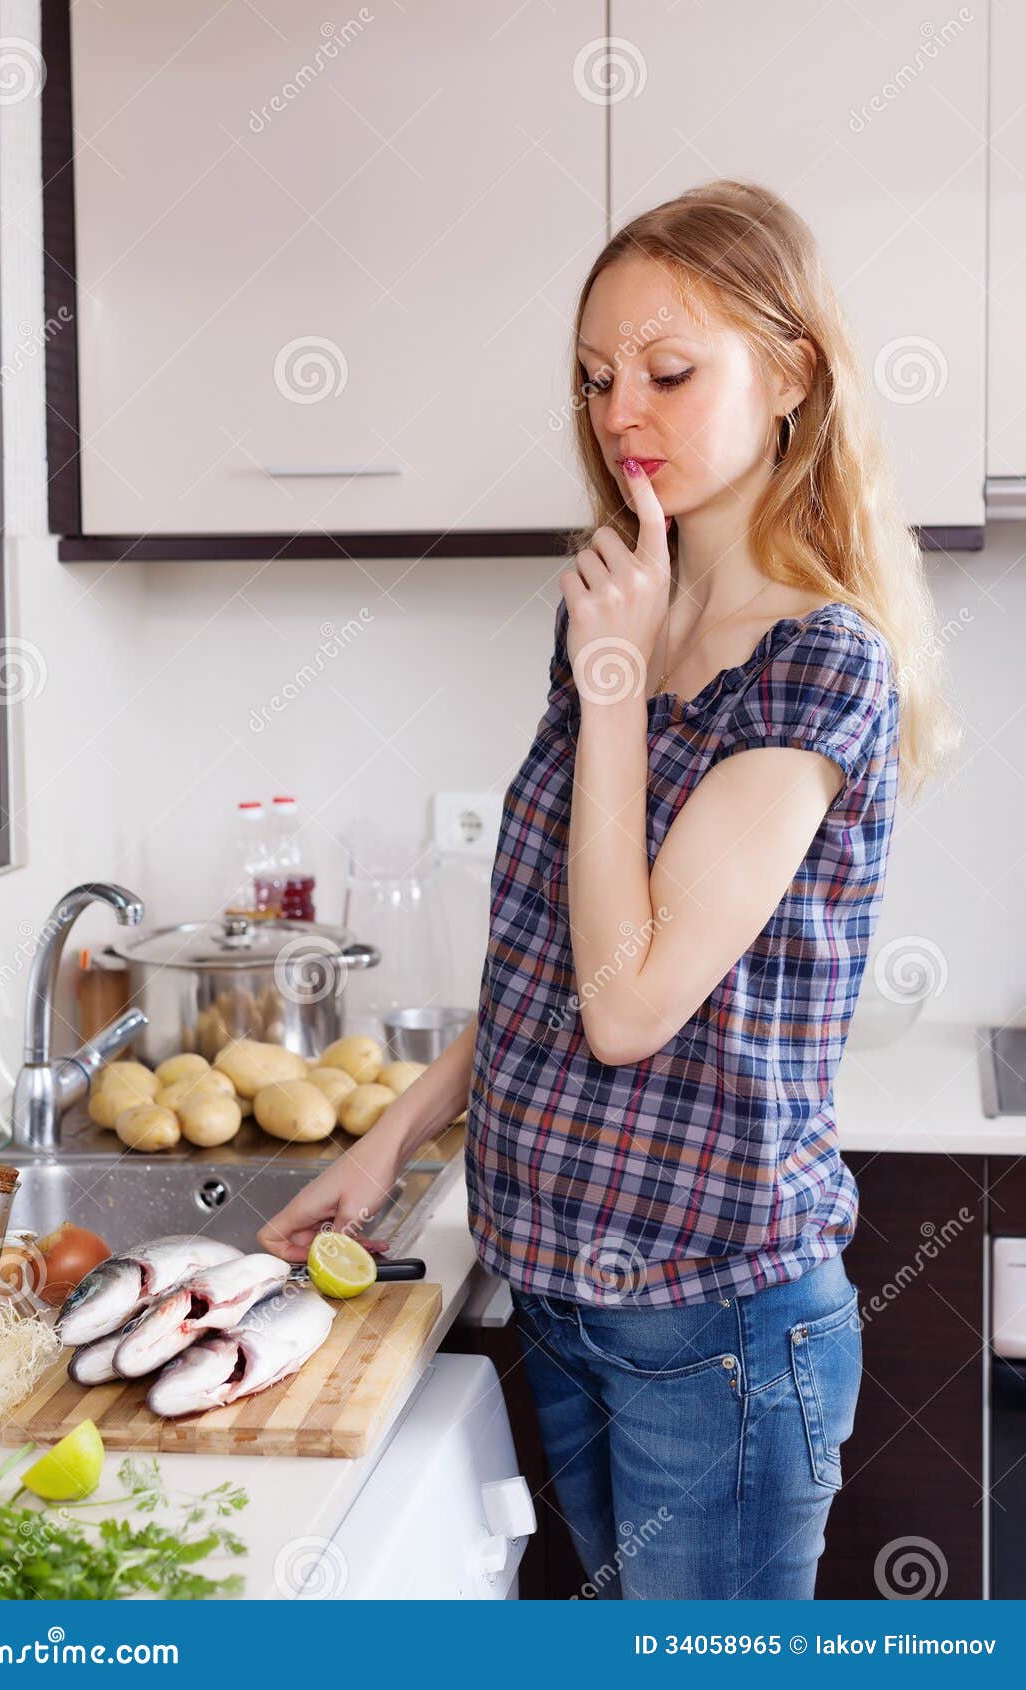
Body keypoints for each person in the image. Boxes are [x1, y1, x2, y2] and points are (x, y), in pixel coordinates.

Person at [258, 179, 960, 1600]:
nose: (618, 410)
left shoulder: (816, 659)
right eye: (593, 378)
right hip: (566, 1296)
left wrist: (617, 678)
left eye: (668, 370)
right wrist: (388, 1145)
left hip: (717, 1323)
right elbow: (547, 961)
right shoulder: (622, 610)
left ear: (791, 374)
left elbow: (631, 1005)